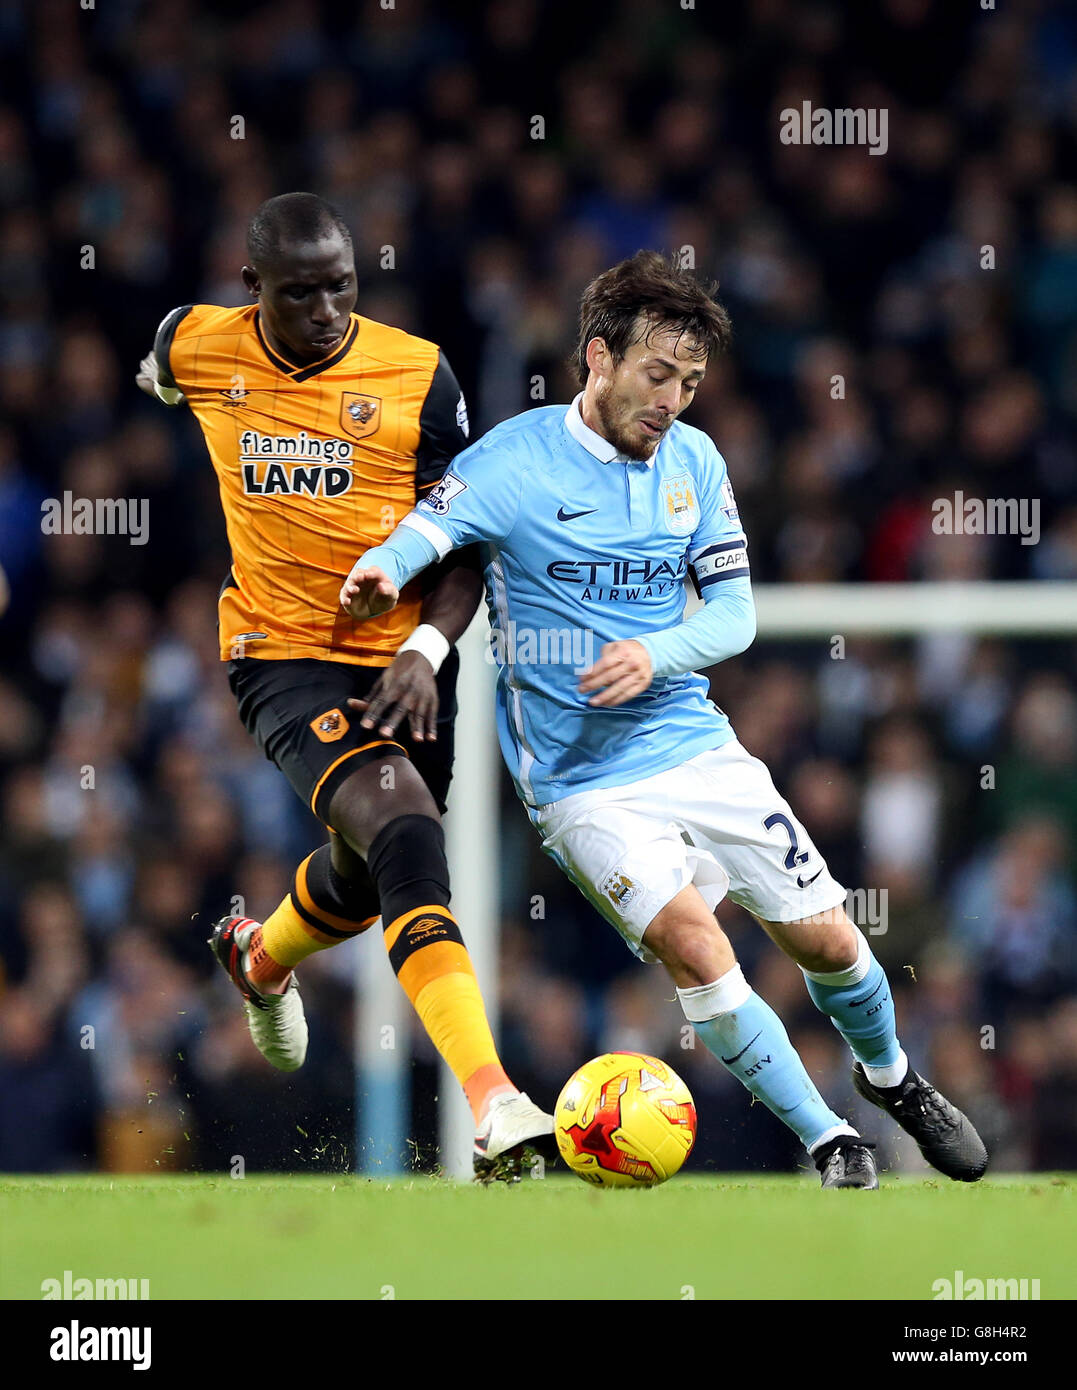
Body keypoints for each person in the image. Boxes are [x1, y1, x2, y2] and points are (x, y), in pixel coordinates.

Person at [340, 250, 989, 1188]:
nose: (672, 400)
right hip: (577, 782)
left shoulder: (694, 460)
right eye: (657, 375)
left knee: (831, 942)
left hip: (691, 741)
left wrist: (657, 652)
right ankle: (828, 1140)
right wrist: (381, 572)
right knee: (697, 944)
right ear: (597, 359)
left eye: (689, 382)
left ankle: (890, 1079)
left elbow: (733, 614)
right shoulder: (515, 459)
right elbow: (428, 532)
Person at [136, 192, 554, 1181]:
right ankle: (494, 1102)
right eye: (301, 293)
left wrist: (430, 652)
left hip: (408, 661)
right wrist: (157, 382)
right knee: (407, 829)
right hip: (280, 654)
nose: (327, 309)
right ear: (252, 292)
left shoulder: (417, 374)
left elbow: (466, 544)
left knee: (367, 878)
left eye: (342, 287)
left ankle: (261, 954)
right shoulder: (202, 346)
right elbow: (161, 365)